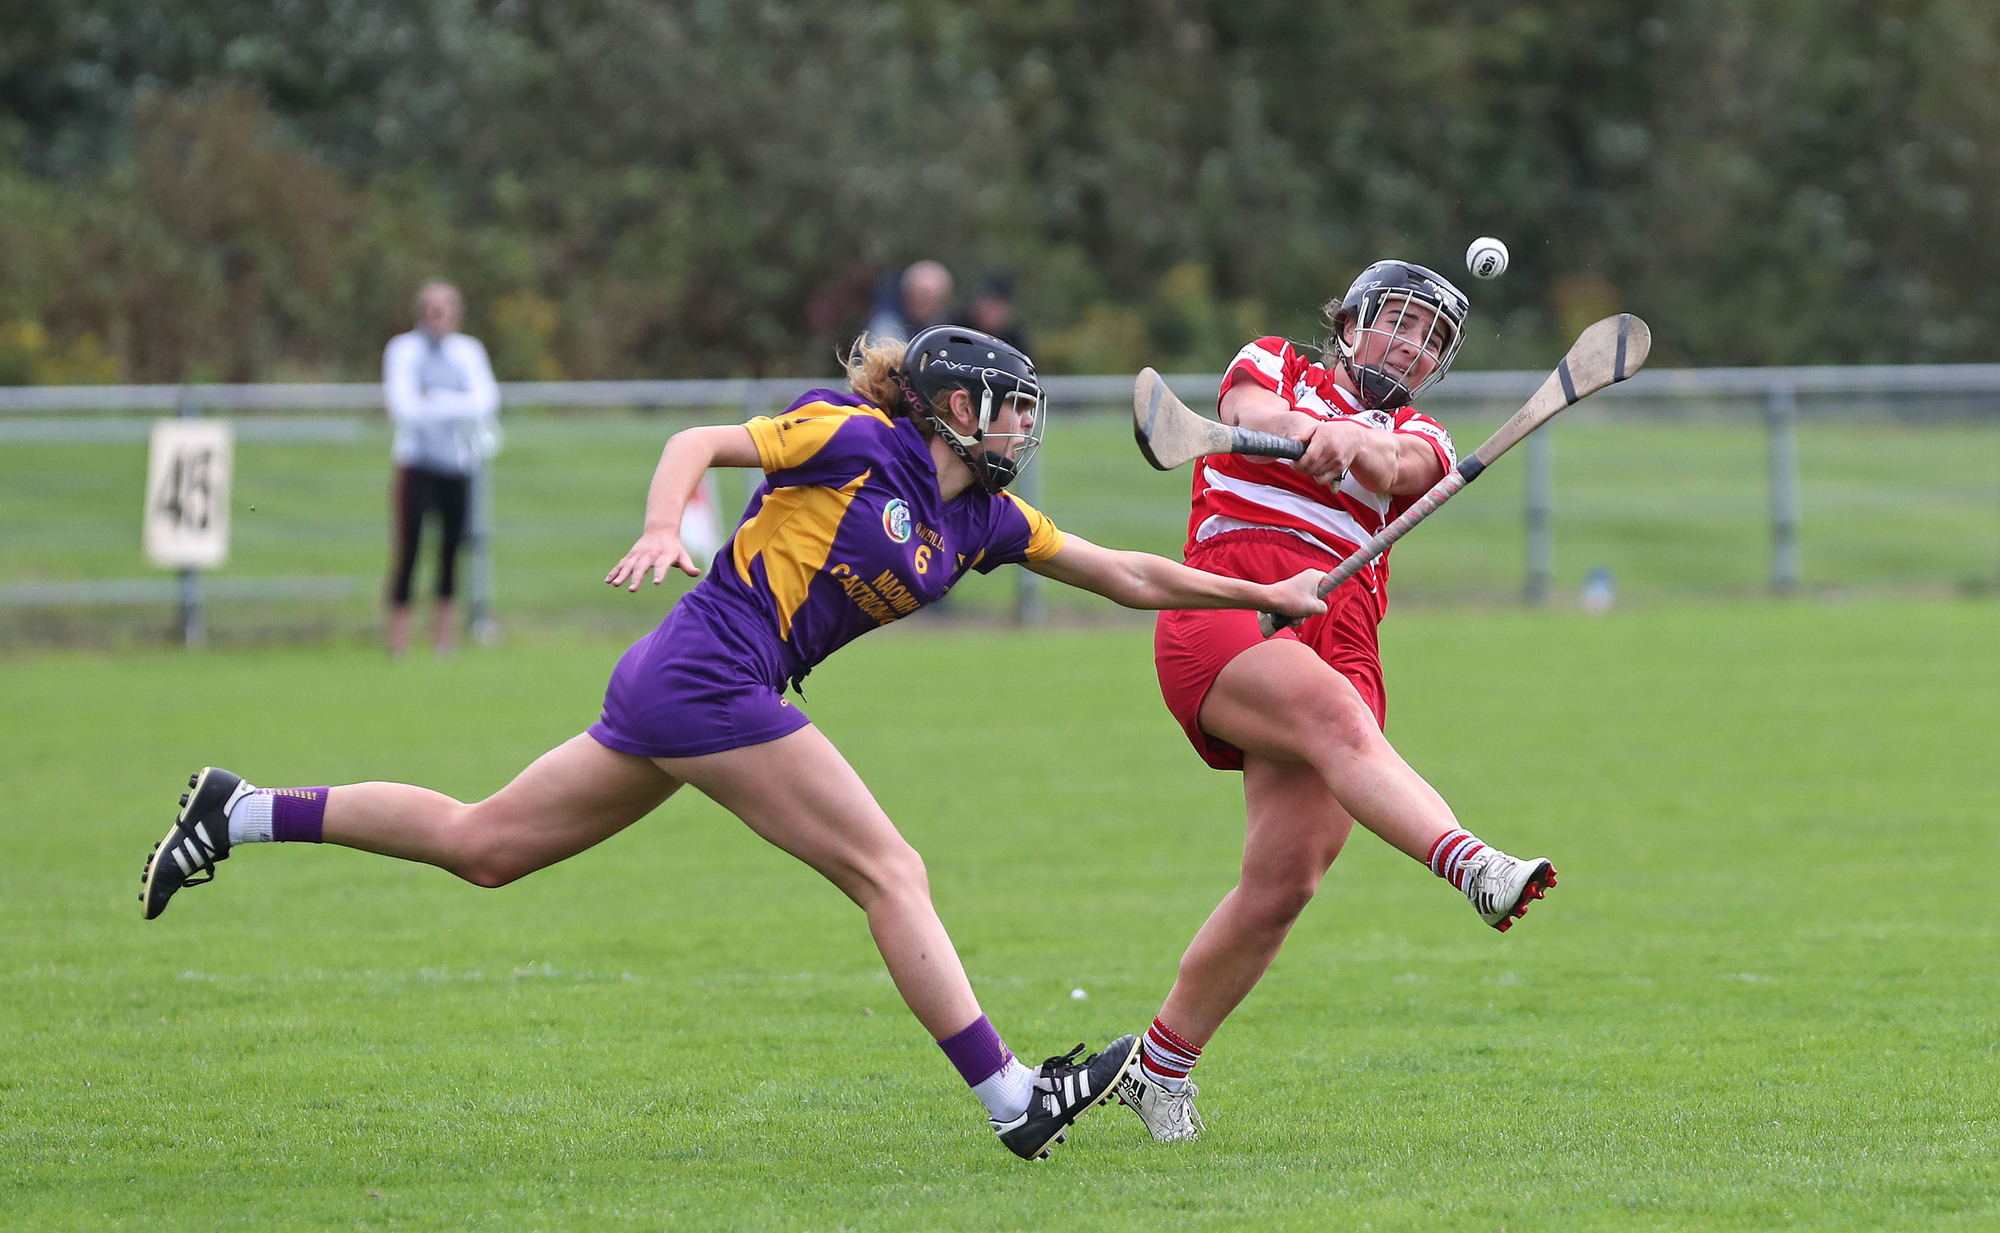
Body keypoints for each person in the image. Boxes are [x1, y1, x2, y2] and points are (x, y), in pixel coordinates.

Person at [138, 325, 1329, 1161]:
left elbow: (1121, 571)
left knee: (482, 844)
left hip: (698, 686)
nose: (1025, 423)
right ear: (951, 404)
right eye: (1009, 403)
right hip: (708, 673)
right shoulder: (857, 438)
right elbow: (700, 441)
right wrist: (664, 524)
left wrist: (1257, 601)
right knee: (888, 870)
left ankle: (235, 810)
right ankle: (1012, 1097)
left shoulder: (984, 517)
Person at [1112, 262, 1559, 1143]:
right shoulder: (1274, 361)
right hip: (1231, 600)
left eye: (1431, 341)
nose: (1410, 347)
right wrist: (1314, 431)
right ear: (1350, 323)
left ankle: (1160, 1067)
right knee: (1336, 724)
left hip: (1342, 632)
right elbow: (1250, 418)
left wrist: (1359, 446)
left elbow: (1404, 463)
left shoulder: (1424, 432)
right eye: (1397, 323)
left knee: (1285, 880)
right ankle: (1472, 865)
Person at [382, 280, 500, 657]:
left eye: (446, 308)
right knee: (409, 550)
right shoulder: (403, 349)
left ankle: (444, 641)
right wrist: (457, 404)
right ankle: (398, 641)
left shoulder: (468, 351)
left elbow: (485, 403)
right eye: (432, 308)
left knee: (452, 552)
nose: (439, 316)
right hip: (416, 465)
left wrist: (434, 399)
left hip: (458, 466)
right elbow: (403, 408)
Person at [863, 260, 953, 343]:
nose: (925, 304)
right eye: (922, 296)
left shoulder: (939, 327)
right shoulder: (885, 325)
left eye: (933, 298)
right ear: (907, 295)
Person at [966, 274, 1029, 354]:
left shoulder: (1016, 341)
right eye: (986, 303)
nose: (989, 310)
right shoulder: (959, 329)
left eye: (996, 305)